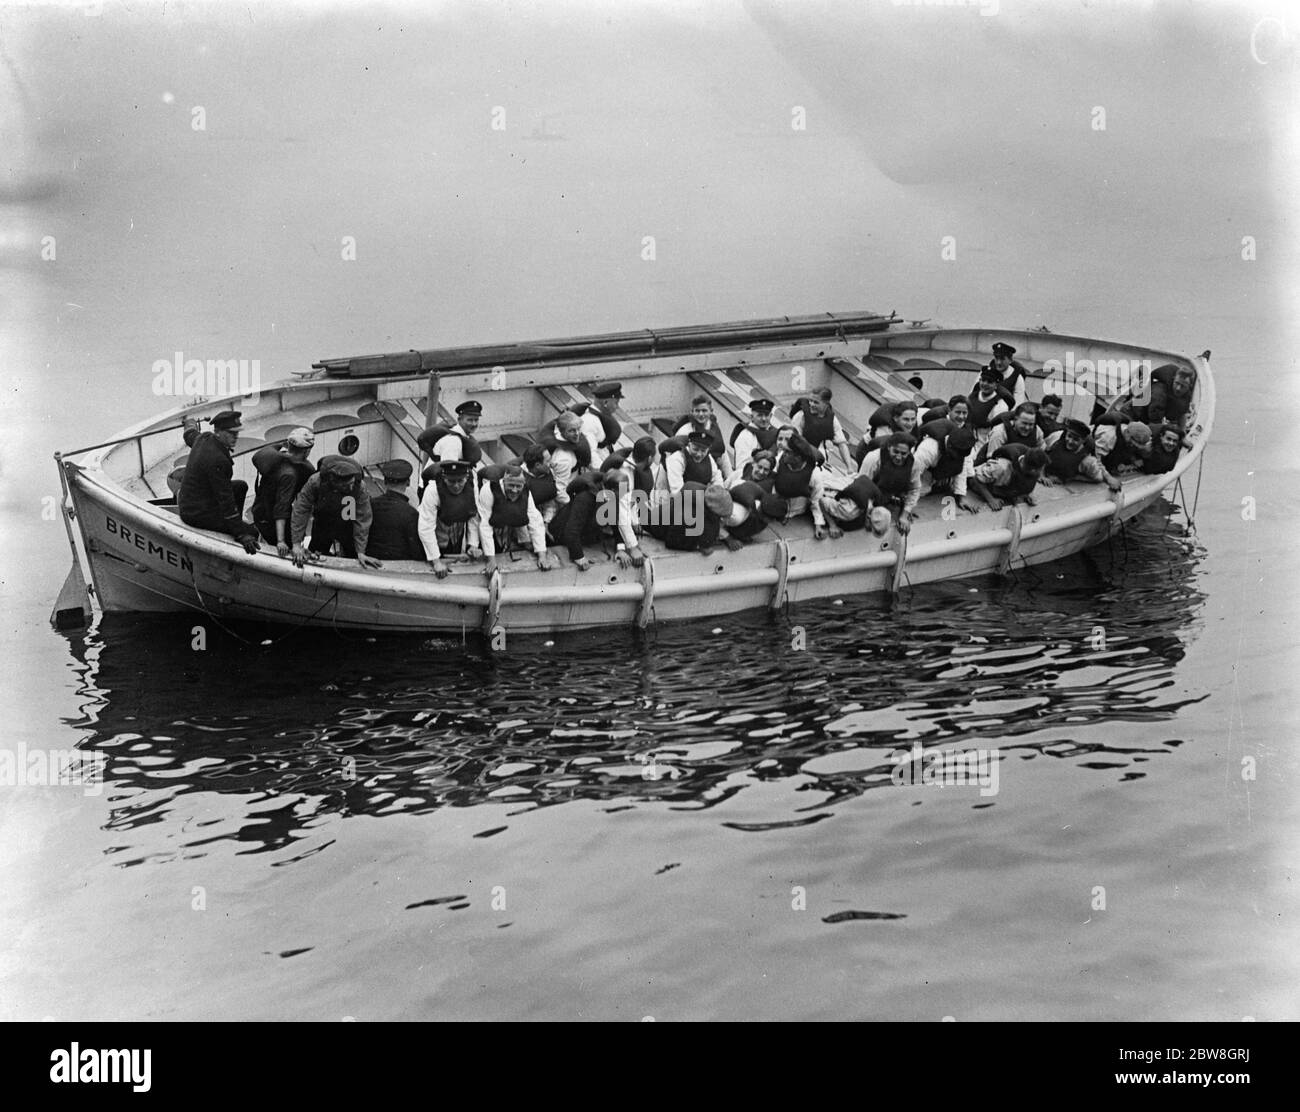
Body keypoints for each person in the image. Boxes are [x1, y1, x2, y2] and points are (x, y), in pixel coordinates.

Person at [178, 410, 260, 553]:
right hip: (196, 513)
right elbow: (225, 499)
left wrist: (189, 423)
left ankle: (232, 526)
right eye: (231, 433)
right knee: (252, 532)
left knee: (240, 487)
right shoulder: (218, 460)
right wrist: (242, 533)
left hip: (192, 500)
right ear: (219, 432)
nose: (235, 437)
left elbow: (190, 434)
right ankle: (233, 533)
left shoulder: (204, 438)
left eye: (237, 433)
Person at [290, 455, 381, 568]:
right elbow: (301, 510)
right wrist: (296, 543)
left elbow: (363, 519)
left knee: (352, 553)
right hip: (323, 520)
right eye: (346, 485)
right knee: (316, 551)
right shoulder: (315, 482)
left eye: (352, 484)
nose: (351, 488)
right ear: (333, 480)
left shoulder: (359, 487)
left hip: (347, 517)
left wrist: (360, 551)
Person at [250, 426, 316, 556]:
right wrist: (281, 541)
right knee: (292, 549)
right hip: (270, 519)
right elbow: (282, 507)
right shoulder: (289, 475)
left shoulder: (277, 456)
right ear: (307, 451)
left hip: (259, 511)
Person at [478, 464, 550, 572]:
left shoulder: (526, 492)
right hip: (494, 525)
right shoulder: (488, 490)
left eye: (518, 486)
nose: (514, 490)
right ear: (504, 481)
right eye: (511, 485)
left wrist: (542, 555)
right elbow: (485, 524)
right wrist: (491, 559)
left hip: (511, 526)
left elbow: (535, 521)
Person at [417, 459, 482, 578]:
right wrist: (436, 561)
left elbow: (473, 517)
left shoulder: (472, 487)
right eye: (451, 481)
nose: (456, 486)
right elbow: (425, 527)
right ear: (444, 478)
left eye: (460, 481)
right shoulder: (432, 491)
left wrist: (473, 544)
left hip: (456, 535)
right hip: (437, 536)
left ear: (466, 478)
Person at [856, 432, 921, 533]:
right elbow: (861, 487)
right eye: (895, 452)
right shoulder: (873, 458)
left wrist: (905, 514)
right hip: (870, 493)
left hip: (891, 494)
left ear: (909, 452)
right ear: (889, 447)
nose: (899, 457)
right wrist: (869, 513)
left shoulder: (914, 463)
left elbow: (914, 489)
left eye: (903, 454)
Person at [773, 432, 832, 537]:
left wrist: (818, 524)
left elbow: (816, 500)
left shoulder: (814, 475)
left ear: (798, 458)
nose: (783, 453)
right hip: (777, 506)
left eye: (787, 452)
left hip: (797, 511)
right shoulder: (780, 460)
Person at [912, 422, 979, 511]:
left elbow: (961, 470)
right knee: (923, 490)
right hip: (920, 468)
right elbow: (912, 475)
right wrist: (908, 508)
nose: (957, 458)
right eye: (955, 455)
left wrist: (961, 497)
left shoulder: (965, 449)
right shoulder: (929, 449)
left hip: (938, 467)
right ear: (950, 446)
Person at [365, 459, 424, 560]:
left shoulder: (370, 504)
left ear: (385, 482)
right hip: (398, 563)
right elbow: (415, 549)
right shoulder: (411, 513)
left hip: (371, 560)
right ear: (408, 482)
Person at [1039, 419, 1120, 490]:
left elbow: (1098, 475)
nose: (1070, 441)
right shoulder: (1056, 437)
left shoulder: (1087, 460)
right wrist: (1042, 475)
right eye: (1069, 436)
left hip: (1069, 475)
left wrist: (1072, 478)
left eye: (1076, 439)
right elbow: (1041, 453)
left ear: (1083, 440)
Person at [536, 410, 591, 512]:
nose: (577, 434)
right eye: (572, 431)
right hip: (556, 495)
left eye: (579, 429)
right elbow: (559, 491)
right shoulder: (564, 458)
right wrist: (572, 506)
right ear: (562, 430)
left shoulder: (555, 432)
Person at [967, 445, 1049, 510]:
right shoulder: (1001, 467)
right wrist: (991, 500)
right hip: (984, 485)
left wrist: (1028, 494)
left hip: (1005, 489)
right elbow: (975, 478)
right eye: (1040, 469)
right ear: (1033, 470)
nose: (1041, 473)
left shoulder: (1030, 469)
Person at [792, 387, 852, 472]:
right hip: (799, 458)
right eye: (810, 401)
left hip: (821, 462)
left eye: (816, 402)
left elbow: (842, 444)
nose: (811, 404)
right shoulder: (800, 416)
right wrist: (818, 458)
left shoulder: (832, 420)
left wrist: (849, 467)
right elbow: (797, 441)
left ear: (826, 404)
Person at [672, 396, 731, 479]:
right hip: (690, 476)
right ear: (692, 412)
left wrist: (729, 476)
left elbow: (723, 453)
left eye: (704, 411)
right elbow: (677, 460)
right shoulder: (684, 431)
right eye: (697, 411)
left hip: (712, 473)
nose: (701, 414)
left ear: (711, 411)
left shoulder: (714, 428)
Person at [818, 475, 894, 538]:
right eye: (871, 528)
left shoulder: (874, 499)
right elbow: (820, 501)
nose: (868, 529)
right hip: (822, 487)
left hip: (844, 480)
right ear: (868, 518)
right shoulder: (850, 512)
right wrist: (832, 525)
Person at [573, 382, 625, 468]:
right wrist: (603, 474)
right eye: (616, 403)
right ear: (605, 403)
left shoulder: (601, 417)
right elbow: (590, 453)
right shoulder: (589, 421)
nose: (617, 407)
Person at [977, 403, 1045, 464]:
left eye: (1031, 424)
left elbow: (1041, 454)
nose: (1027, 427)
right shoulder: (1000, 432)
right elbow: (991, 460)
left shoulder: (1037, 432)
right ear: (1015, 419)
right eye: (1024, 423)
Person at [730, 397, 781, 477]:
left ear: (771, 416)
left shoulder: (776, 433)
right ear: (751, 417)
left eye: (766, 415)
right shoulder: (745, 436)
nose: (764, 419)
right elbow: (742, 468)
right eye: (759, 415)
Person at [664, 429, 724, 495]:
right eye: (695, 449)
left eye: (703, 451)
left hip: (696, 497)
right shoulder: (677, 458)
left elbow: (717, 479)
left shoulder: (709, 459)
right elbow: (677, 491)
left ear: (708, 450)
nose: (699, 454)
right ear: (689, 445)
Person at [426, 400, 484, 467]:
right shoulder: (453, 441)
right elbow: (448, 471)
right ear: (459, 419)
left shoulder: (464, 437)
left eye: (476, 420)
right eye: (470, 420)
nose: (474, 424)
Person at [967, 368, 1012, 449]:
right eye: (983, 380)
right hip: (967, 434)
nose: (985, 384)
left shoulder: (1000, 404)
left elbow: (997, 432)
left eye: (990, 382)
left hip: (984, 440)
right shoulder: (973, 396)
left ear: (996, 385)